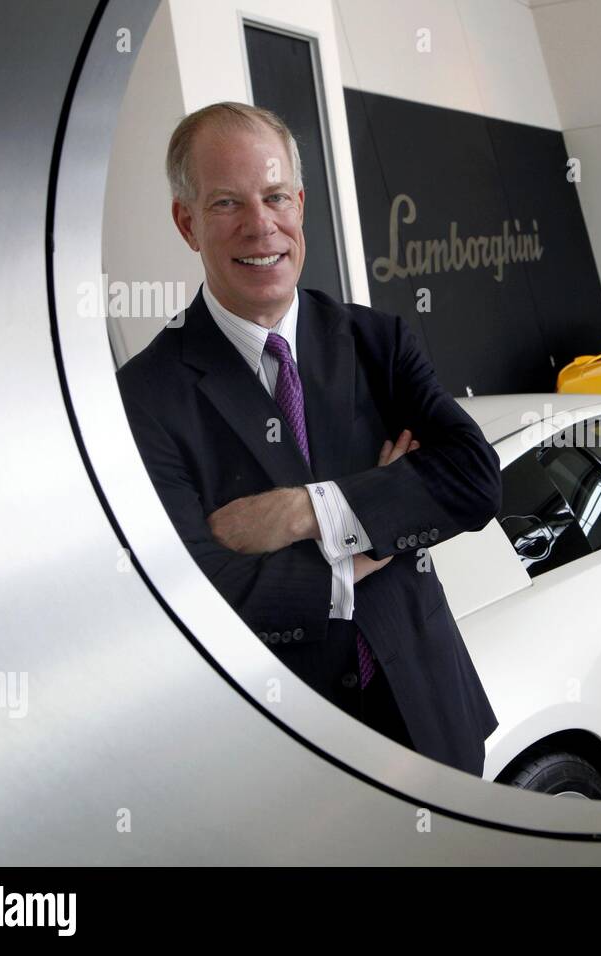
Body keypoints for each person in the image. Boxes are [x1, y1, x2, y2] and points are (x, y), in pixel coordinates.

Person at [115, 102, 501, 777]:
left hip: (431, 719)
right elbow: (198, 593)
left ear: (300, 202)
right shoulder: (146, 395)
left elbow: (473, 482)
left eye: (274, 197)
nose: (260, 226)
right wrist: (378, 527)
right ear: (187, 222)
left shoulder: (379, 342)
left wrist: (304, 511)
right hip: (284, 750)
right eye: (227, 203)